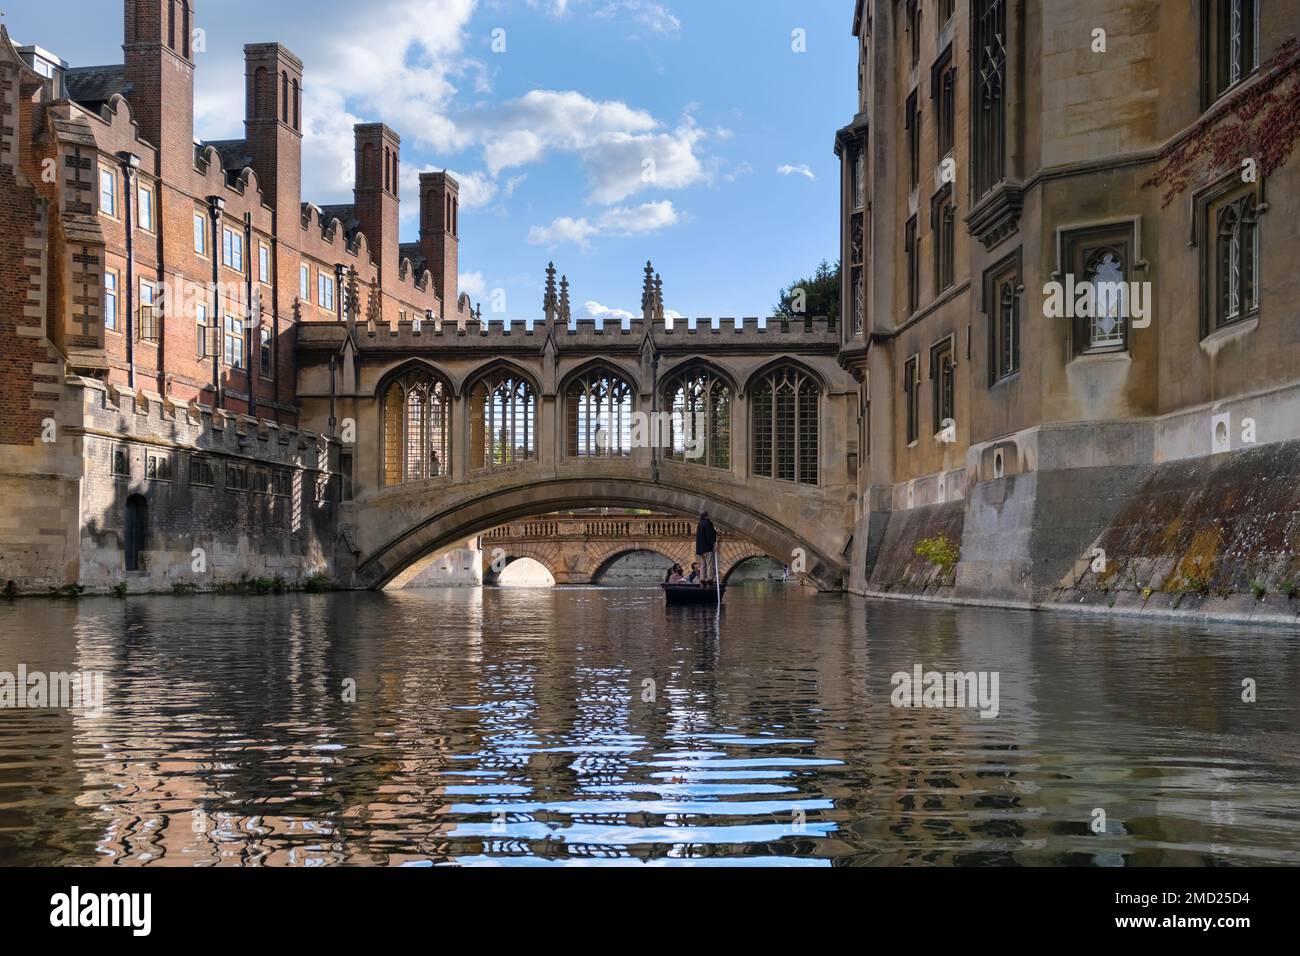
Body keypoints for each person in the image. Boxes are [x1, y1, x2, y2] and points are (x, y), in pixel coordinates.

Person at [695, 510, 718, 584]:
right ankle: (709, 578)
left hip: (699, 549)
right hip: (707, 547)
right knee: (710, 563)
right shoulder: (707, 523)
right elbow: (710, 535)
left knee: (703, 564)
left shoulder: (700, 523)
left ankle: (702, 578)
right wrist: (713, 542)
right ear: (707, 516)